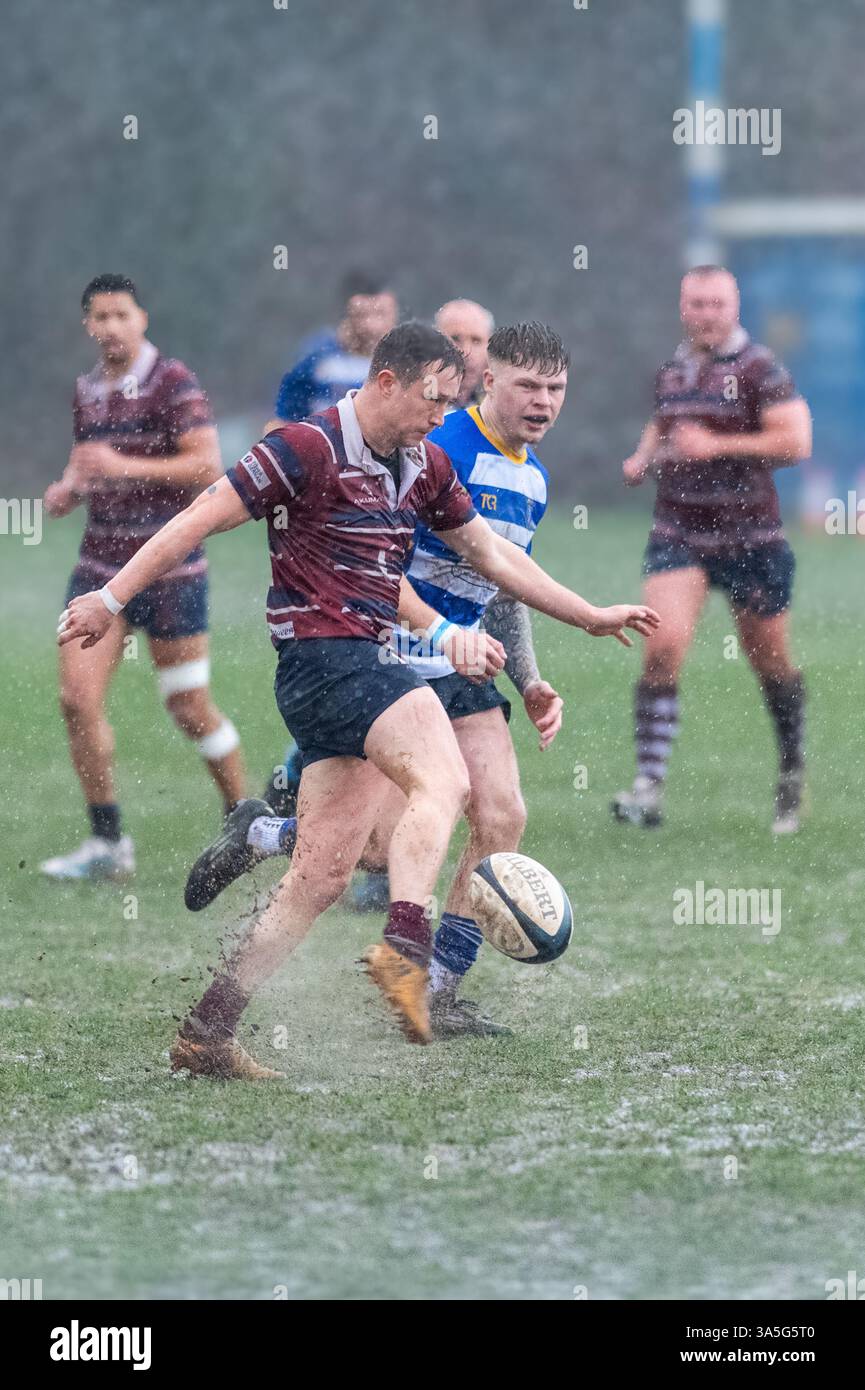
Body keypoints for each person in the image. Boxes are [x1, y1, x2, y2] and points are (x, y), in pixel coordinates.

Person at [59, 321, 658, 1078]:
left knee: (320, 876)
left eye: (449, 402)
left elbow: (489, 555)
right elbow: (196, 519)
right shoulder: (303, 448)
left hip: (355, 669)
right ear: (385, 383)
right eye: (431, 400)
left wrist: (589, 614)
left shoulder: (422, 462)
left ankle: (207, 1032)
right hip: (327, 661)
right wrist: (109, 598)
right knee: (445, 780)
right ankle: (407, 950)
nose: (441, 416)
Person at [196, 323, 570, 1041]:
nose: (542, 402)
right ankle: (270, 839)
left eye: (555, 389)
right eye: (527, 385)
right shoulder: (437, 446)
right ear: (486, 382)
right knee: (365, 850)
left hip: (466, 666)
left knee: (500, 815)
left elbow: (500, 579)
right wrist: (437, 632)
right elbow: (371, 564)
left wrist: (528, 676)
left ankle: (435, 988)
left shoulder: (532, 476)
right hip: (390, 657)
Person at [41, 274, 246, 882]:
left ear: (142, 318)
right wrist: (68, 490)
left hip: (170, 570)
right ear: (88, 325)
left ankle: (245, 822)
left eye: (120, 315)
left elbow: (209, 467)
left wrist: (118, 466)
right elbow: (90, 467)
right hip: (100, 569)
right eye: (99, 317)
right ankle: (108, 845)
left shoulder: (172, 382)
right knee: (76, 699)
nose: (110, 327)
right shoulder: (86, 390)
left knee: (187, 706)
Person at [612, 265, 812, 833]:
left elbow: (797, 441)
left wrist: (718, 444)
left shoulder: (760, 368)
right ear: (683, 307)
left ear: (735, 307)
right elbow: (663, 422)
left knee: (770, 662)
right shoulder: (673, 369)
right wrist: (641, 456)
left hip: (752, 538)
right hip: (678, 530)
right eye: (696, 303)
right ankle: (648, 787)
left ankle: (791, 768)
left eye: (717, 304)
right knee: (662, 646)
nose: (706, 313)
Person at [270, 270, 398, 424]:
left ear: (394, 315)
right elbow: (288, 416)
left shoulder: (408, 361)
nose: (371, 326)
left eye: (380, 314)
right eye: (362, 315)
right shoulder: (319, 355)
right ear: (348, 315)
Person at [434, 299, 494, 409]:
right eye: (455, 339)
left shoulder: (497, 411)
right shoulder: (414, 406)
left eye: (476, 341)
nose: (466, 352)